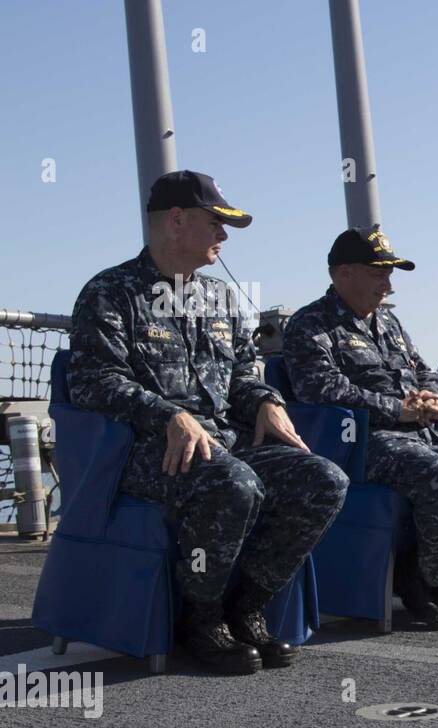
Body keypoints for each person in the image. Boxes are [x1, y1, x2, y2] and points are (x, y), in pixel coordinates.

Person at [68, 170, 349, 674]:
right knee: (233, 482)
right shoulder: (110, 293)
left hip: (221, 441)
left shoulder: (218, 297)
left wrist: (265, 399)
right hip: (145, 450)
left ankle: (247, 605)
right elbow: (92, 381)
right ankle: (202, 618)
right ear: (176, 220)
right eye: (216, 222)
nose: (224, 235)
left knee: (323, 479)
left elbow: (243, 370)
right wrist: (168, 413)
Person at [282, 227, 438, 629]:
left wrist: (435, 401)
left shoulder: (390, 323)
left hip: (425, 431)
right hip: (363, 440)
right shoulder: (311, 325)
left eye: (389, 273)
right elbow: (320, 388)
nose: (388, 283)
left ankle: (420, 570)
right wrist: (398, 410)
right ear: (343, 273)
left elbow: (425, 371)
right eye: (378, 272)